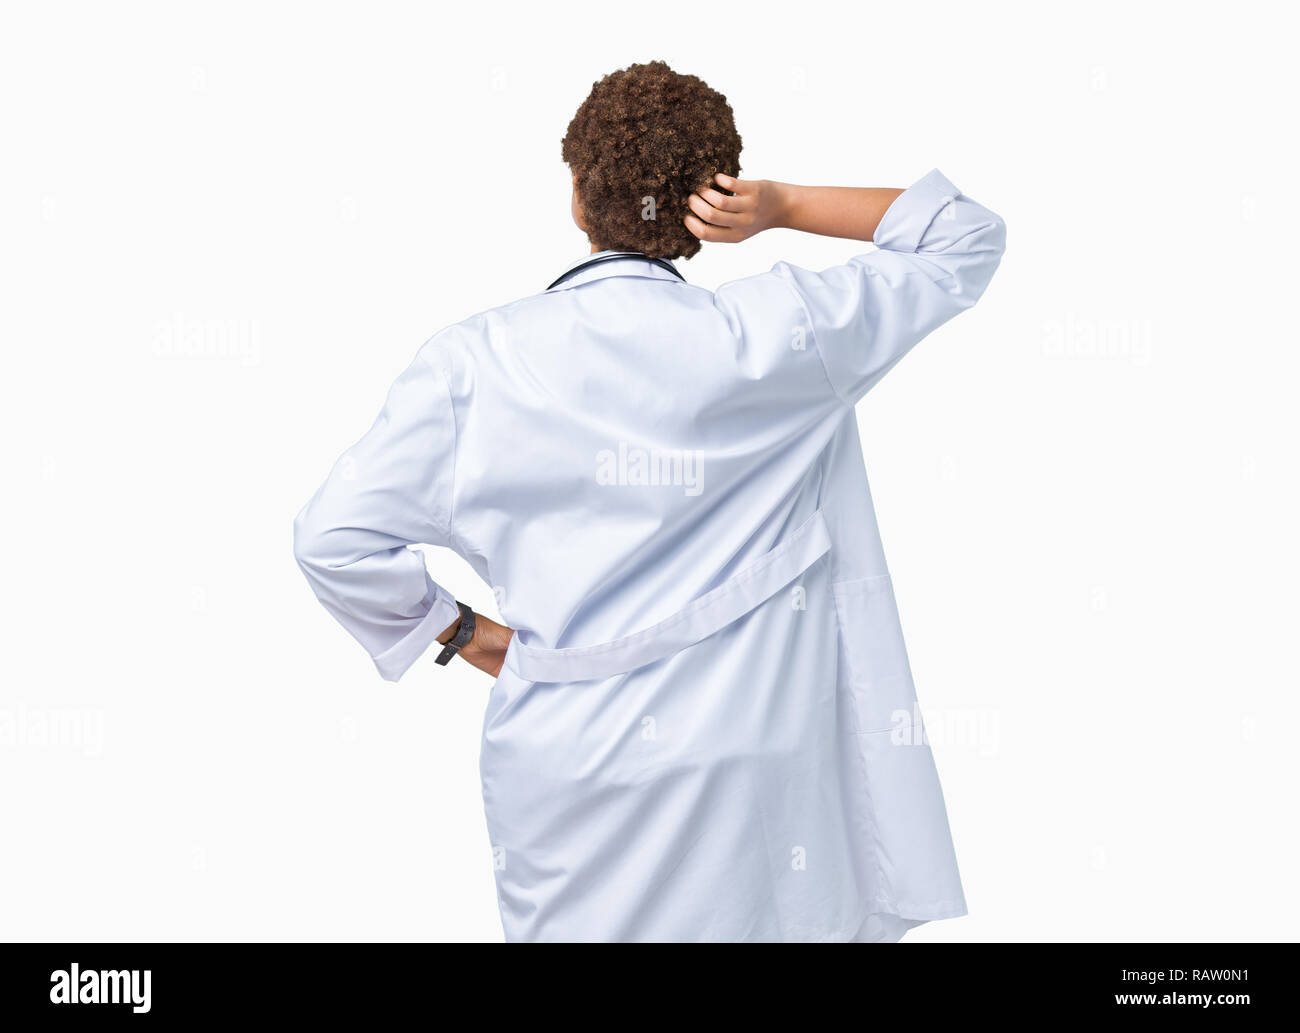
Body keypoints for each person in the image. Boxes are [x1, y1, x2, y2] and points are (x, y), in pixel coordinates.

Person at [294, 60, 1005, 942]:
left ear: (578, 199)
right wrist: (781, 206)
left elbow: (331, 537)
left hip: (568, 764)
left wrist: (456, 635)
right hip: (755, 765)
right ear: (713, 204)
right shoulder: (788, 332)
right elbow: (964, 236)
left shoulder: (473, 365)